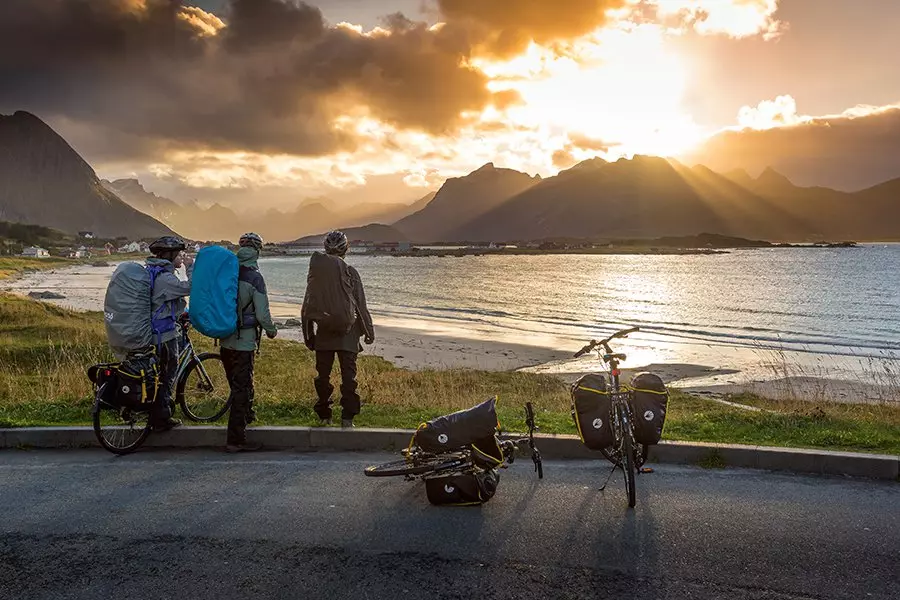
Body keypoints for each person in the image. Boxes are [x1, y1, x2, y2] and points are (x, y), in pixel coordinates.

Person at [302, 230, 375, 428]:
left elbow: (308, 303)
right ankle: (347, 418)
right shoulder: (351, 272)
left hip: (324, 331)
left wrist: (307, 333)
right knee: (349, 377)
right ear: (346, 250)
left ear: (325, 249)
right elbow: (360, 305)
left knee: (322, 376)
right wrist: (369, 331)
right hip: (348, 333)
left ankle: (325, 414)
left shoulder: (317, 273)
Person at [219, 232, 278, 452]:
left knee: (237, 385)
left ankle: (247, 417)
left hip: (225, 339)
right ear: (257, 251)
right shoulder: (255, 277)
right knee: (241, 389)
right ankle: (235, 440)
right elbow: (262, 314)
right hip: (244, 342)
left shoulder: (228, 272)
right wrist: (271, 331)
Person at [146, 236, 194, 431]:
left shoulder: (157, 273)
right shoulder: (165, 278)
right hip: (164, 335)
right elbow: (189, 287)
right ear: (170, 255)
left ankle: (154, 411)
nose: (182, 257)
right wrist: (190, 267)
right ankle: (161, 417)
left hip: (158, 331)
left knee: (160, 374)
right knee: (168, 373)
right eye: (180, 254)